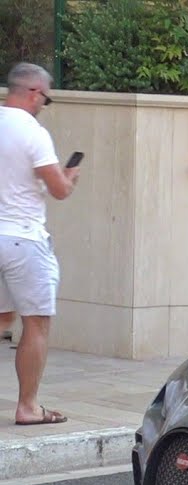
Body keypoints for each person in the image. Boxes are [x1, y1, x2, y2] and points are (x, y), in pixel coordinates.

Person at [1, 62, 79, 425]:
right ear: (33, 93)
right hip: (23, 239)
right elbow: (58, 190)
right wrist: (69, 176)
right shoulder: (33, 132)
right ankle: (28, 406)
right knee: (36, 323)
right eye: (45, 99)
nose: (43, 105)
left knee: (2, 317)